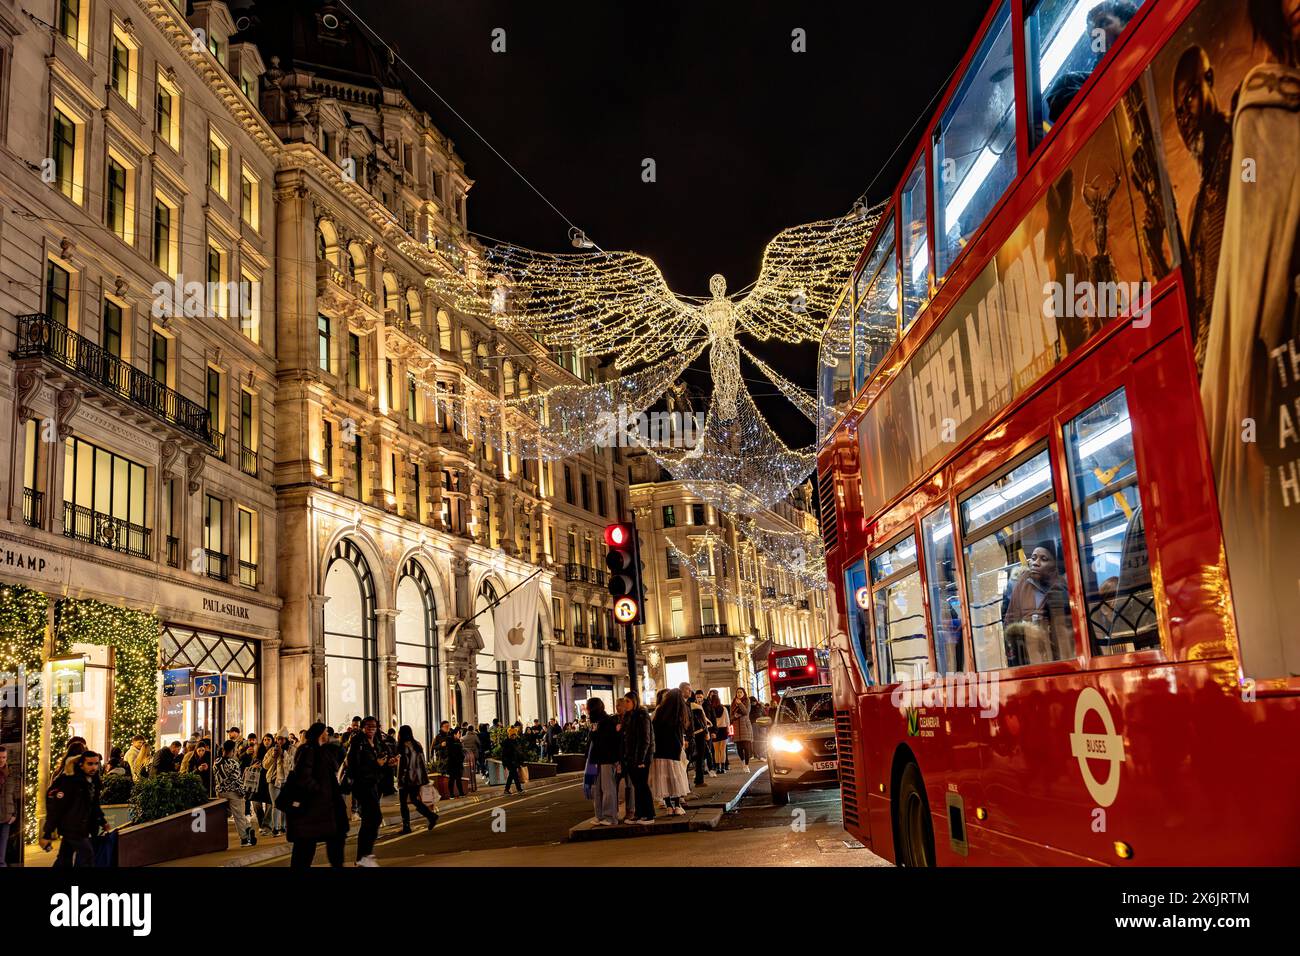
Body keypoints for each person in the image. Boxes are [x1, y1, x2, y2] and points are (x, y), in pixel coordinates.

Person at [1172, 43, 1234, 373]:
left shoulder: (1242, 145)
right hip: (1217, 370)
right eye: (1178, 112)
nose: (1185, 119)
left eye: (1190, 98)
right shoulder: (1197, 207)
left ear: (1208, 79)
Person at [282, 723, 348, 868]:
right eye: (324, 732)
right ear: (319, 734)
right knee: (305, 845)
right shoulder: (307, 750)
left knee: (333, 838)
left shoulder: (322, 750)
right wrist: (320, 791)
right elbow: (303, 777)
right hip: (311, 807)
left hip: (323, 807)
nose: (327, 735)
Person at [1002, 541, 1074, 665]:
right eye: (1033, 558)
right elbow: (1009, 619)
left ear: (1054, 565)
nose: (1035, 563)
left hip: (1056, 658)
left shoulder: (1062, 590)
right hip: (1027, 656)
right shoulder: (1021, 584)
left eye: (1044, 559)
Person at [39, 750, 106, 867]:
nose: (94, 767)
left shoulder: (93, 781)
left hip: (81, 827)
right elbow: (57, 809)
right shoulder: (71, 782)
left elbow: (94, 805)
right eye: (90, 764)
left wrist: (102, 821)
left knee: (64, 859)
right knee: (87, 855)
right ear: (81, 765)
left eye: (96, 764)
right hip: (72, 827)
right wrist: (47, 833)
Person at [343, 715, 393, 867]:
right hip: (362, 785)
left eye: (374, 726)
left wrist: (387, 763)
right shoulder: (358, 742)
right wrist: (376, 764)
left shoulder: (376, 742)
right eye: (368, 726)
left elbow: (378, 762)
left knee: (370, 820)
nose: (371, 729)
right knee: (375, 818)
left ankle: (363, 857)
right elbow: (354, 766)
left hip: (373, 784)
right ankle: (364, 856)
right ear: (363, 727)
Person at [651, 688, 690, 815]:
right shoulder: (679, 712)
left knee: (664, 778)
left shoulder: (660, 711)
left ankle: (668, 806)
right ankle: (677, 805)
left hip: (659, 750)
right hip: (673, 749)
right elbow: (679, 733)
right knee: (676, 777)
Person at [620, 692, 655, 824]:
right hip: (631, 757)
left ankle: (649, 814)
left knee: (642, 785)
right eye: (624, 701)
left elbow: (645, 738)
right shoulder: (629, 716)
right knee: (637, 785)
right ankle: (639, 814)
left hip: (641, 757)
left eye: (627, 701)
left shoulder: (642, 715)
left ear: (634, 701)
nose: (625, 704)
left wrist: (641, 759)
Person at [215, 739, 257, 847]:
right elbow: (236, 780)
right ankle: (244, 838)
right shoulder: (233, 763)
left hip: (220, 792)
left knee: (222, 817)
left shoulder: (216, 761)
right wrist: (243, 793)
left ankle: (248, 828)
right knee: (239, 816)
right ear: (233, 750)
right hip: (233, 792)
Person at [396, 725, 439, 833]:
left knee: (403, 802)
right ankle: (430, 815)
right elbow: (422, 763)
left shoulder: (403, 746)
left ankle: (407, 826)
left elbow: (404, 765)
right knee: (414, 800)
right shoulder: (417, 745)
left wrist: (400, 778)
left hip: (407, 778)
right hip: (418, 778)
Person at [586, 698, 620, 826]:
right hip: (596, 759)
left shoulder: (606, 721)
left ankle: (610, 816)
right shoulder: (599, 721)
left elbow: (605, 742)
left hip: (606, 759)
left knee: (607, 788)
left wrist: (594, 734)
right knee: (597, 789)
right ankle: (599, 815)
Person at [262, 729, 292, 837]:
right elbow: (264, 765)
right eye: (278, 739)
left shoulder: (291, 750)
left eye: (282, 739)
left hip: (287, 780)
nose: (279, 741)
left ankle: (284, 826)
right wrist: (273, 756)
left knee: (286, 805)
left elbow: (291, 766)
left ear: (286, 740)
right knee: (276, 804)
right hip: (274, 780)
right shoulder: (271, 750)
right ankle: (275, 828)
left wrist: (283, 755)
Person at [0, 747, 21, 866]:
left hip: (7, 817)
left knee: (2, 851)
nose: (1, 760)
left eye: (4, 757)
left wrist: (15, 814)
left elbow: (14, 797)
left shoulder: (10, 774)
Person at [689, 690, 712, 786]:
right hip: (699, 734)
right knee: (700, 757)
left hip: (689, 734)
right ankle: (699, 780)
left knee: (692, 756)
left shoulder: (683, 707)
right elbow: (703, 721)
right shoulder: (697, 707)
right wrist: (707, 733)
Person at [731, 688, 754, 771]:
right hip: (737, 727)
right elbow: (731, 716)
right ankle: (743, 762)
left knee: (747, 748)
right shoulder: (733, 702)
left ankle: (747, 765)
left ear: (744, 693)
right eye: (738, 692)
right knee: (739, 748)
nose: (739, 694)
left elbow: (746, 712)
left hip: (745, 726)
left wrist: (740, 703)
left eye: (741, 692)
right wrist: (734, 717)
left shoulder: (746, 701)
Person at [707, 690, 730, 772]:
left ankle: (717, 768)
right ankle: (723, 768)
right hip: (723, 730)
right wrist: (728, 729)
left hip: (715, 730)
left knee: (716, 750)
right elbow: (727, 720)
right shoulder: (724, 708)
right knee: (722, 750)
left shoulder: (710, 709)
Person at [500, 726, 526, 795]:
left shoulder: (516, 741)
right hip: (509, 761)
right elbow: (504, 753)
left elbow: (518, 751)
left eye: (514, 735)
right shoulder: (506, 742)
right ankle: (519, 789)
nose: (514, 736)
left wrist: (521, 759)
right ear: (510, 735)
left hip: (515, 761)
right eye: (512, 735)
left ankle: (506, 790)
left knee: (511, 776)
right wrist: (505, 763)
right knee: (515, 775)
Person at [444, 728, 465, 798]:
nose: (460, 735)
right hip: (452, 763)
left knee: (458, 778)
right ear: (455, 734)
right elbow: (450, 752)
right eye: (459, 733)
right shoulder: (450, 741)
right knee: (452, 779)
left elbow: (461, 752)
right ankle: (451, 794)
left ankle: (461, 793)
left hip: (458, 763)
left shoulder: (458, 741)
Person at [459, 722, 480, 793]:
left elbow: (461, 743)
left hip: (466, 756)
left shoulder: (463, 737)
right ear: (472, 729)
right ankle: (473, 785)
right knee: (473, 770)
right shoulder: (475, 736)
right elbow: (479, 743)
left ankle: (469, 784)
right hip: (474, 755)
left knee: (467, 770)